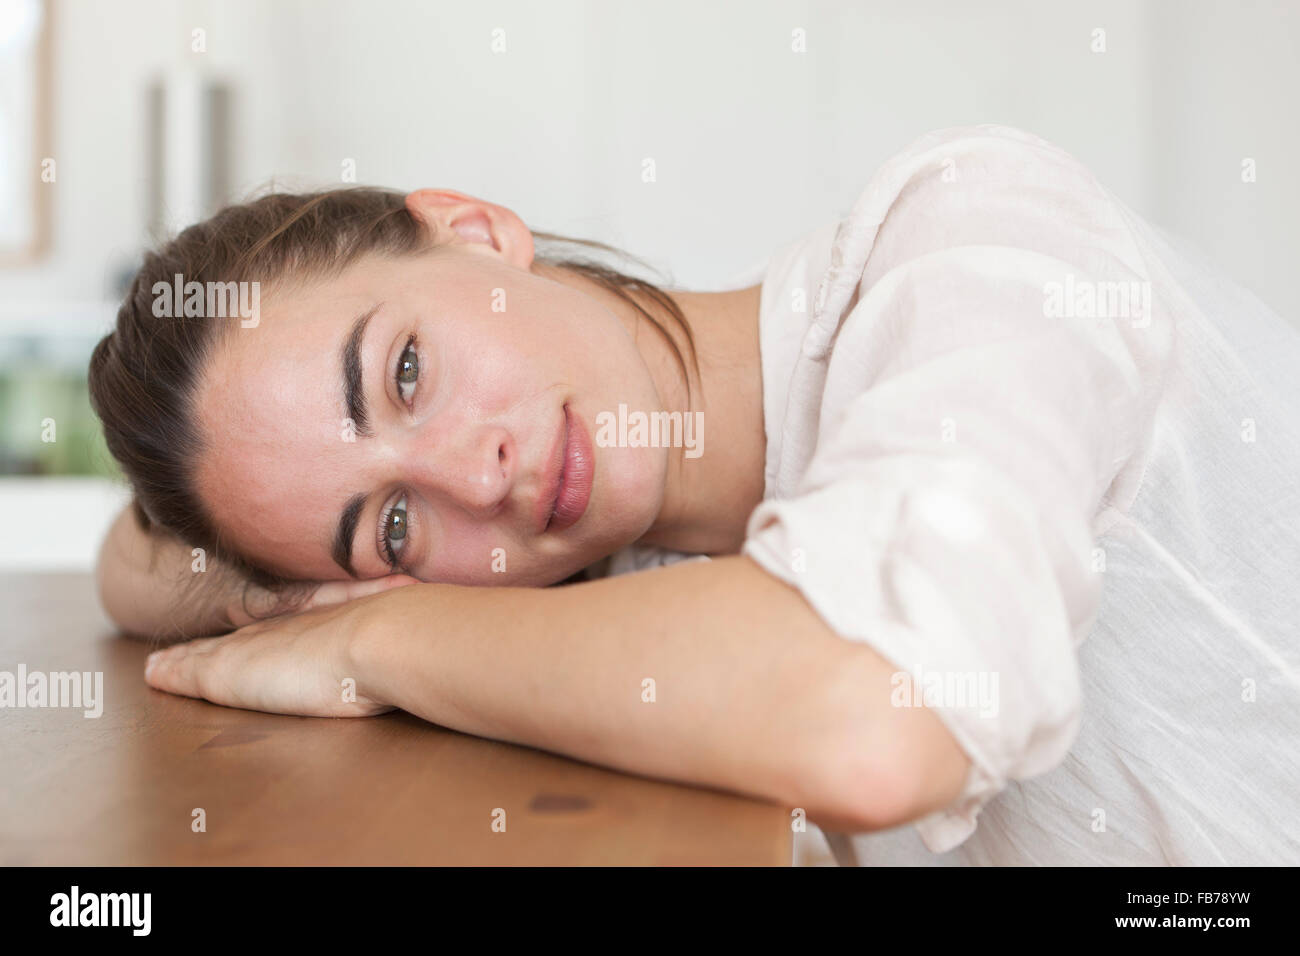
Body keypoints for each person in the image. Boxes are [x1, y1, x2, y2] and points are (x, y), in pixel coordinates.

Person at [89, 125, 1300, 864]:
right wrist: (314, 590)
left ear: (471, 232)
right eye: (393, 523)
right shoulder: (635, 573)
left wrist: (380, 632)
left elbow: (880, 721)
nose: (476, 475)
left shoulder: (977, 241)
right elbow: (132, 562)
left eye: (405, 372)